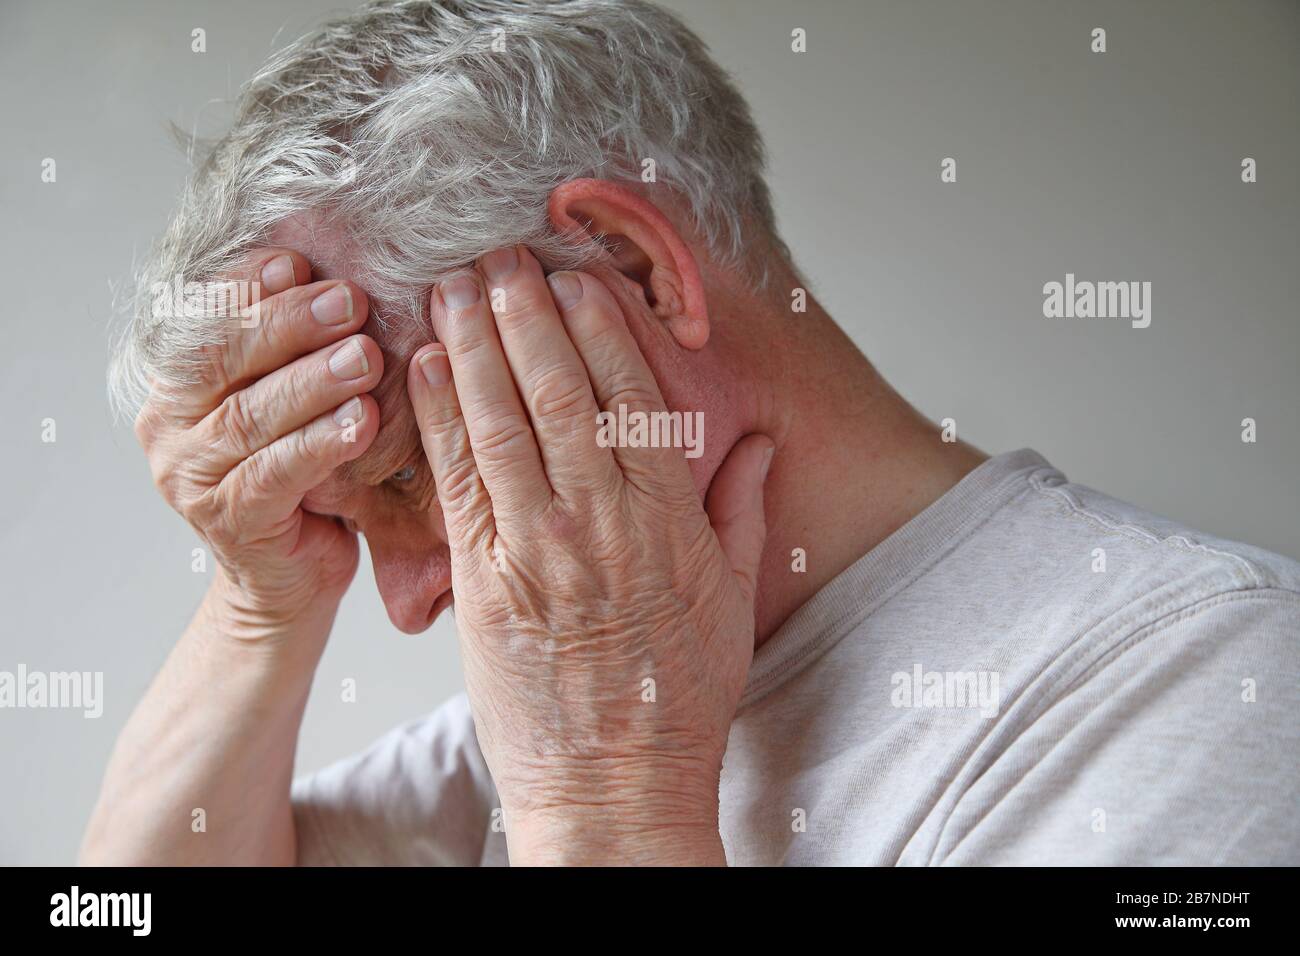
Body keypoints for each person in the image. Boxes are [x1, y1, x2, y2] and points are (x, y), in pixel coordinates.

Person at [82, 0, 1299, 866]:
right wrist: (260, 601)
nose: (402, 602)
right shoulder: (543, 710)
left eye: (403, 474)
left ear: (630, 267)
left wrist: (613, 809)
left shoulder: (1210, 692)